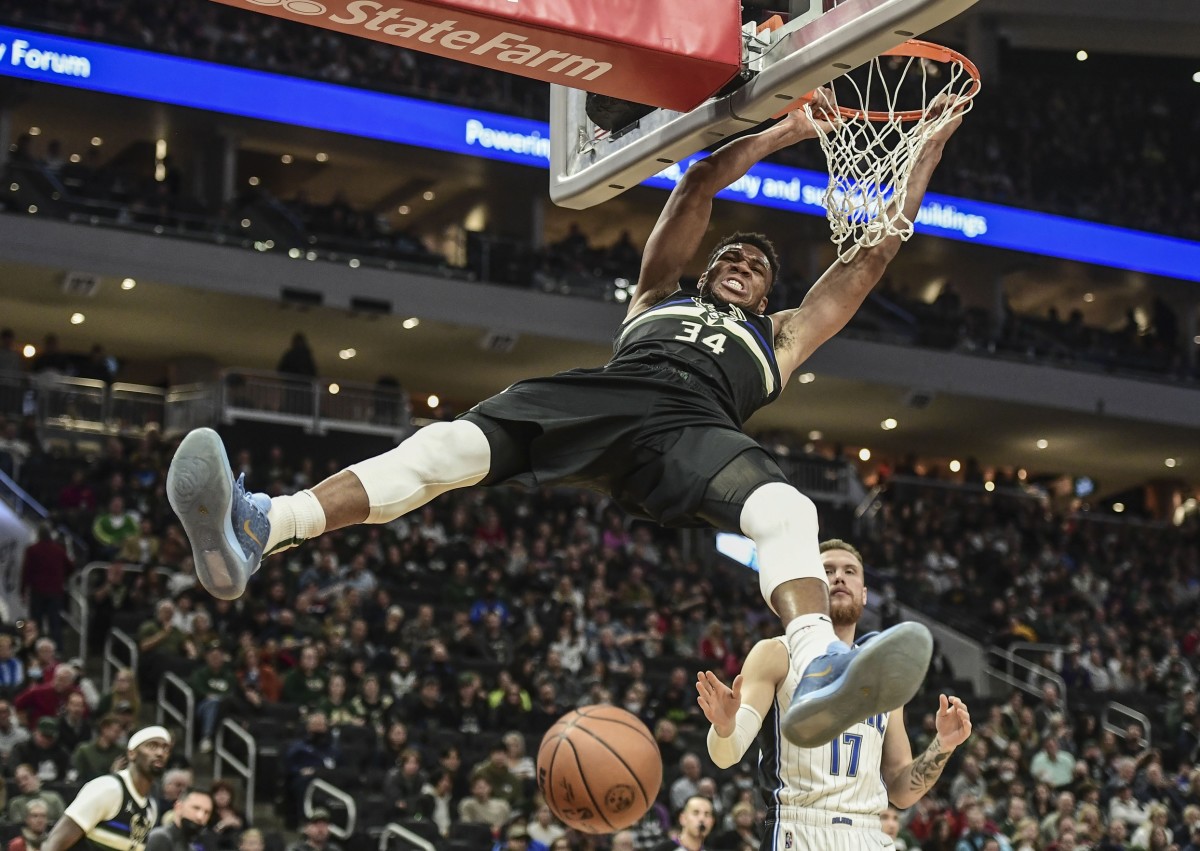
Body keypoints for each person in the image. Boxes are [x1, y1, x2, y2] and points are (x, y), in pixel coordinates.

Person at [167, 92, 966, 747]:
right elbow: (694, 189)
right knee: (445, 447)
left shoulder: (782, 338)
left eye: (755, 266)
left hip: (696, 428)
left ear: (768, 294)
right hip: (611, 394)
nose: (739, 263)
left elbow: (869, 257)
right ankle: (262, 527)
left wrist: (926, 144)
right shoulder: (657, 297)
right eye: (730, 257)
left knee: (790, 508)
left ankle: (819, 665)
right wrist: (784, 129)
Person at [696, 540, 973, 850]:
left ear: (865, 594)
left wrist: (943, 745)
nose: (839, 577)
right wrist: (724, 725)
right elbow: (726, 755)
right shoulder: (776, 653)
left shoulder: (884, 673)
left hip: (869, 833)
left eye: (850, 571)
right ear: (811, 589)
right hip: (800, 829)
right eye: (827, 571)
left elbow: (900, 790)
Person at [38, 726, 170, 851]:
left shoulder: (151, 808)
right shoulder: (108, 788)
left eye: (165, 749)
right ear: (131, 754)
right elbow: (53, 844)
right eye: (152, 746)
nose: (160, 753)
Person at [145, 789, 215, 851]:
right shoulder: (161, 838)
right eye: (196, 808)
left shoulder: (192, 847)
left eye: (207, 812)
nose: (200, 816)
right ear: (178, 807)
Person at [651, 795, 716, 851]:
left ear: (712, 822)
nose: (702, 818)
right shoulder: (662, 849)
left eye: (707, 814)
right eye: (696, 813)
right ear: (683, 818)